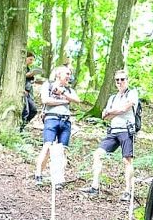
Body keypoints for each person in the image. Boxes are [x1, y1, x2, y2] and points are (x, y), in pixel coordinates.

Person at [82, 70, 137, 201]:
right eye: (117, 80)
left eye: (122, 79)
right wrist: (114, 111)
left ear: (127, 80)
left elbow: (124, 109)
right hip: (113, 131)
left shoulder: (132, 93)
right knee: (98, 154)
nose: (119, 82)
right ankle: (94, 186)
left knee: (127, 160)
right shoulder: (113, 98)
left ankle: (128, 191)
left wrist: (112, 111)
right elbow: (104, 116)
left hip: (126, 130)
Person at [34, 65, 83, 186]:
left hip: (66, 121)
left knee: (62, 150)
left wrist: (64, 92)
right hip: (51, 118)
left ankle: (58, 179)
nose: (69, 76)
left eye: (69, 74)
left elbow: (77, 100)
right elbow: (45, 100)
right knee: (47, 146)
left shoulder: (69, 90)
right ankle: (38, 174)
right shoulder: (48, 85)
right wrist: (64, 101)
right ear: (58, 74)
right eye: (66, 74)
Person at [20, 50, 38, 130]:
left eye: (32, 60)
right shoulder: (20, 67)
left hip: (28, 93)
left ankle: (23, 125)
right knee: (25, 111)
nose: (31, 62)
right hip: (23, 92)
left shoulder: (28, 68)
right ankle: (21, 129)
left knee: (33, 110)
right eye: (30, 59)